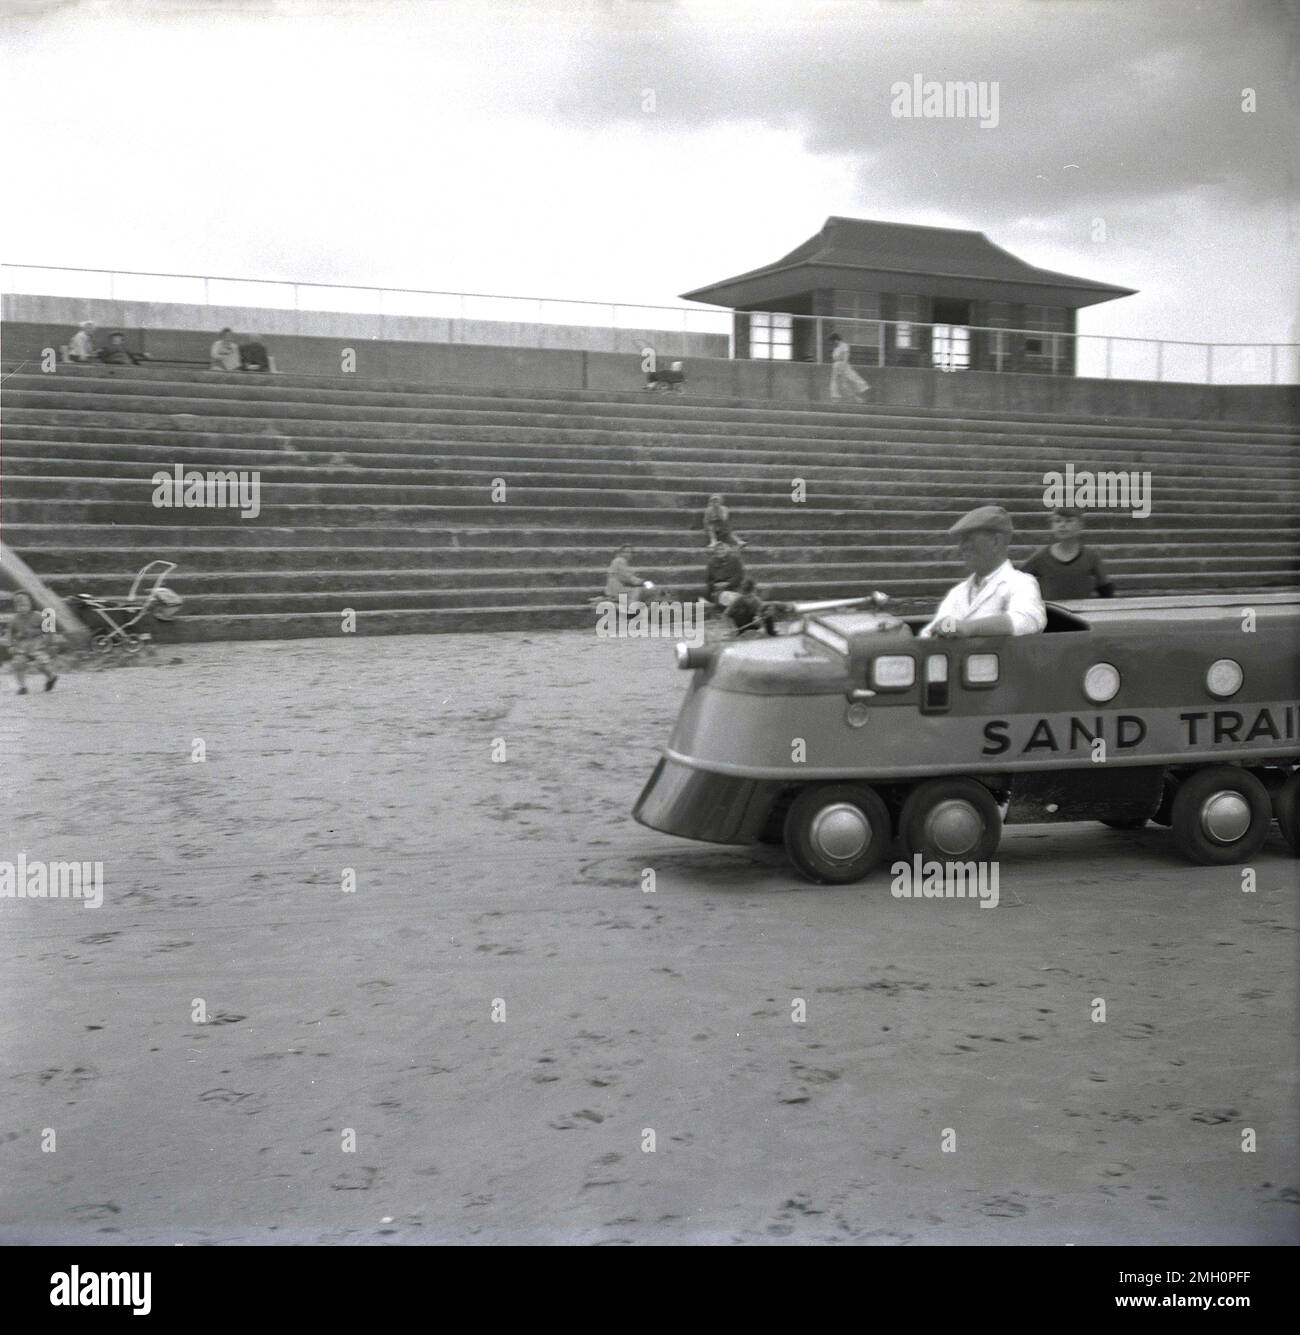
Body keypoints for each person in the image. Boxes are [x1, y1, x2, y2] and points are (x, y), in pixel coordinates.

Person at [920, 505, 1046, 639]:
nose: (962, 547)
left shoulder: (1020, 583)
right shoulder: (958, 592)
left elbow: (1027, 620)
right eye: (961, 540)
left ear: (996, 541)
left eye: (969, 539)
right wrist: (946, 627)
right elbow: (930, 633)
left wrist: (968, 627)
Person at [1021, 508, 1115, 600]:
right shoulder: (1041, 557)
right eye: (1057, 521)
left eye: (1069, 521)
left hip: (1080, 613)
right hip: (1051, 613)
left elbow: (1106, 588)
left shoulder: (1090, 556)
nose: (1062, 525)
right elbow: (1016, 581)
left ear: (1080, 525)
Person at [5, 591, 58, 694]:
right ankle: (22, 686)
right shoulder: (14, 620)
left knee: (41, 664)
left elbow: (49, 630)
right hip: (23, 647)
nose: (22, 608)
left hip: (38, 645)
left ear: (31, 604)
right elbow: (10, 634)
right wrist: (11, 645)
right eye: (19, 606)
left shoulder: (38, 616)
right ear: (15, 607)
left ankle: (51, 677)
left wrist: (50, 643)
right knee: (18, 663)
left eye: (25, 605)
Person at [828, 332, 869, 401]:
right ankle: (837, 397)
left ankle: (861, 392)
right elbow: (835, 359)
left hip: (843, 365)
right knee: (838, 382)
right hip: (836, 366)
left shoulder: (844, 345)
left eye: (833, 341)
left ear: (836, 340)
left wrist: (842, 368)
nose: (832, 343)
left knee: (852, 378)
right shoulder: (836, 349)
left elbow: (846, 357)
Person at [706, 540, 747, 606]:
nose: (720, 551)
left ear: (727, 550)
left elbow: (739, 575)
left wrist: (728, 583)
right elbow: (709, 579)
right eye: (717, 550)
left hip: (733, 587)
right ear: (714, 551)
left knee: (734, 597)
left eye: (722, 549)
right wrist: (715, 585)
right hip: (718, 589)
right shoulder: (711, 562)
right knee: (721, 597)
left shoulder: (735, 560)